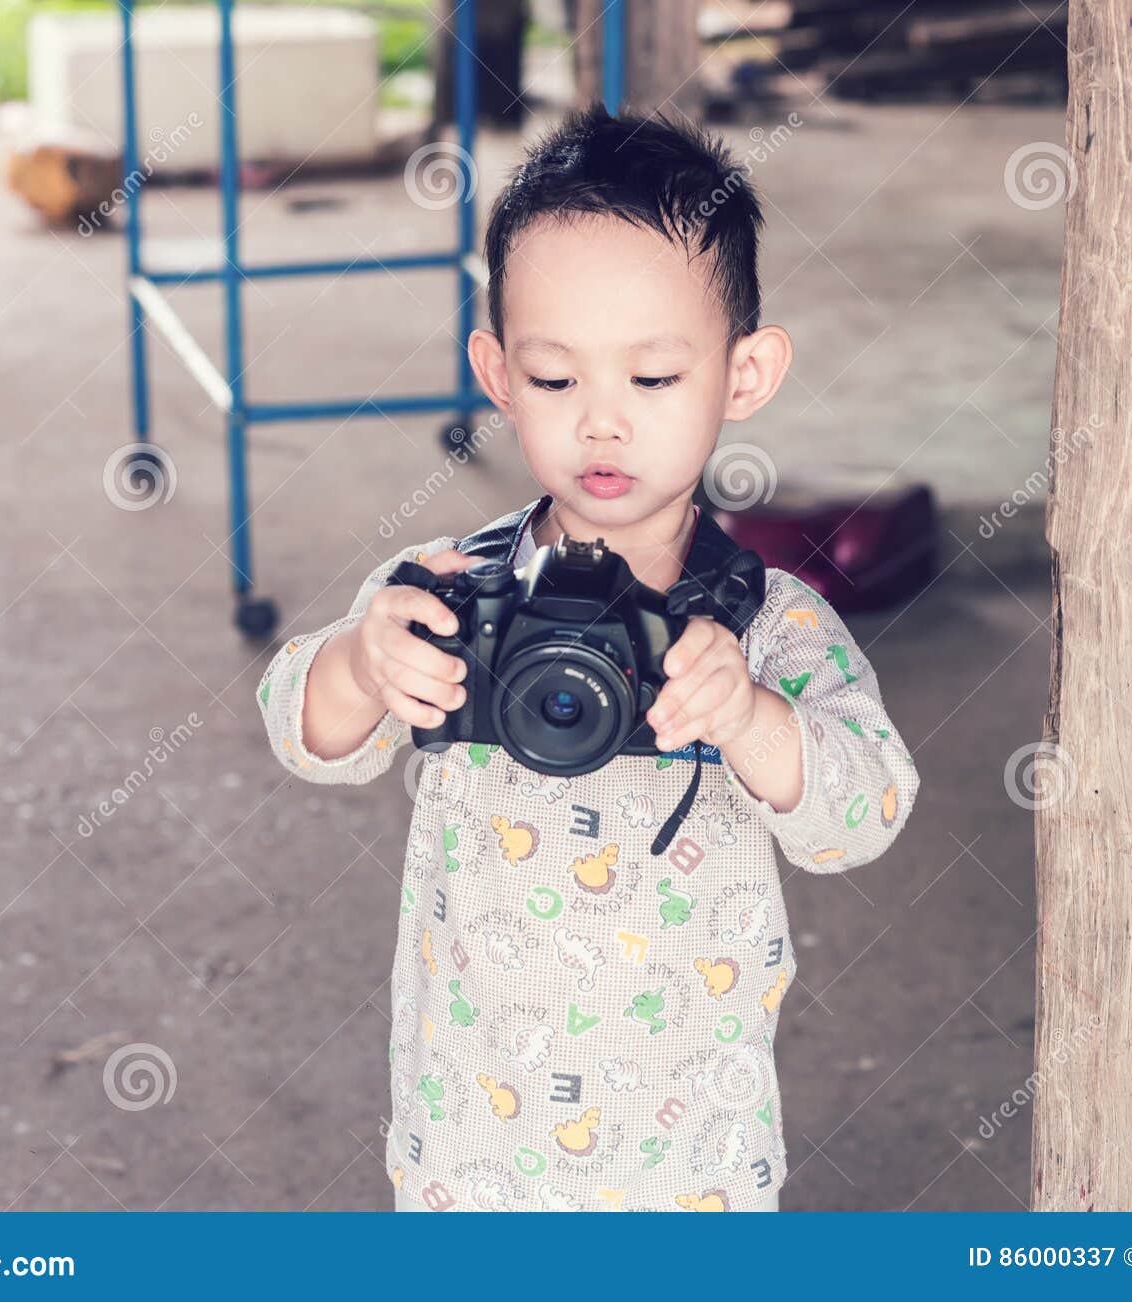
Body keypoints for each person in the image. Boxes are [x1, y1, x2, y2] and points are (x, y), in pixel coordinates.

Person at [255, 104, 920, 1212]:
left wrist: (751, 716)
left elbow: (866, 815)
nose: (602, 425)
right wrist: (363, 668)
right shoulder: (450, 589)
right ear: (498, 372)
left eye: (652, 381)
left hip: (689, 1164)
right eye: (557, 381)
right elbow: (300, 731)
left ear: (744, 374)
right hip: (473, 1145)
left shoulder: (767, 623)